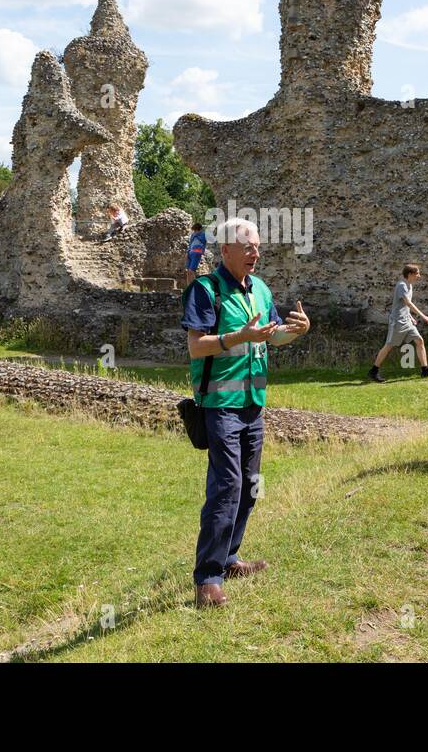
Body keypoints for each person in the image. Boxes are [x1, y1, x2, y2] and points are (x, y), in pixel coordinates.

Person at [181, 217, 311, 608]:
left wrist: (296, 331)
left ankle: (230, 556)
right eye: (248, 247)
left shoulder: (260, 289)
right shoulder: (205, 290)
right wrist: (239, 336)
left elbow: (271, 336)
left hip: (254, 405)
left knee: (250, 485)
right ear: (226, 252)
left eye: (257, 247)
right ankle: (208, 577)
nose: (256, 253)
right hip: (220, 407)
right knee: (227, 487)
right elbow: (195, 346)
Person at [368, 263, 428, 382]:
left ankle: (425, 370)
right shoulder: (402, 285)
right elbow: (408, 303)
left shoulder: (409, 285)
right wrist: (423, 316)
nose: (419, 276)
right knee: (389, 346)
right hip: (397, 322)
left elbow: (403, 306)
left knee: (419, 341)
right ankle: (373, 371)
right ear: (410, 274)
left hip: (406, 320)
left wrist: (410, 317)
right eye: (417, 274)